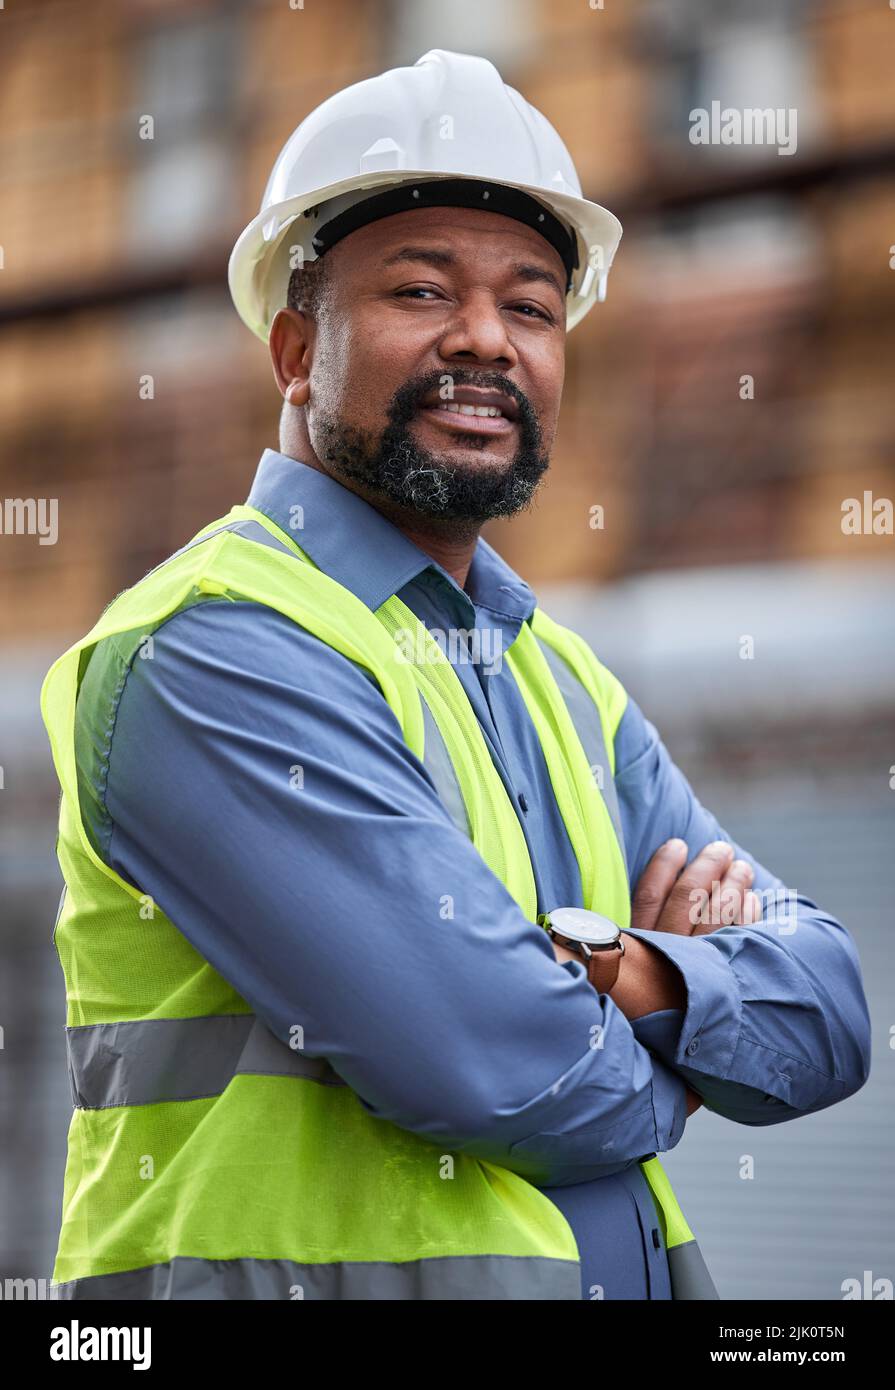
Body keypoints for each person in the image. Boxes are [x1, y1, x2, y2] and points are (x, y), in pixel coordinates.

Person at [43, 49, 871, 1301]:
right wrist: (699, 1025)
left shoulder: (559, 675)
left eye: (532, 307)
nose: (485, 339)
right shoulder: (214, 648)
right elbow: (510, 1073)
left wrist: (618, 972)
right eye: (421, 290)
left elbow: (833, 1012)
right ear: (291, 349)